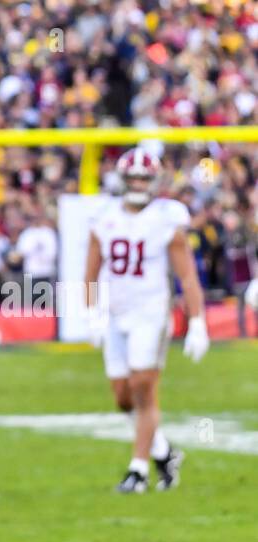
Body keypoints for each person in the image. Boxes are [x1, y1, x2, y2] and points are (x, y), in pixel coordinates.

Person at [85, 147, 206, 493]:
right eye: (133, 177)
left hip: (150, 314)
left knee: (143, 388)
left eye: (144, 177)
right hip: (115, 314)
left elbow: (187, 277)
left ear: (154, 182)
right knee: (123, 397)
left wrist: (197, 322)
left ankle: (137, 470)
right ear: (123, 180)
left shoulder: (166, 219)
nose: (138, 183)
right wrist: (92, 312)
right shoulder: (104, 217)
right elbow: (91, 272)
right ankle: (164, 452)